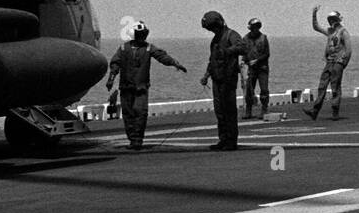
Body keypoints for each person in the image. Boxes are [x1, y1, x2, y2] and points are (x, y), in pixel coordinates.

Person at [106, 21, 188, 150]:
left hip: (141, 88)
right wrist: (111, 78)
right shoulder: (123, 48)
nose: (142, 36)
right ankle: (133, 139)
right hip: (126, 88)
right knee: (128, 114)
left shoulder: (149, 48)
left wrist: (175, 63)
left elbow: (162, 56)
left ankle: (137, 140)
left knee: (140, 113)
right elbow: (115, 64)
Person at [199, 10, 246, 150]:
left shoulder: (231, 35)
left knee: (229, 110)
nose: (212, 30)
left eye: (213, 27)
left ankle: (231, 141)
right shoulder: (215, 40)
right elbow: (212, 59)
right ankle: (223, 139)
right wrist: (206, 75)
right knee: (219, 111)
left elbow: (243, 47)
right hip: (216, 79)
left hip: (228, 79)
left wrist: (227, 51)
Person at [306, 7, 351, 120]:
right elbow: (316, 27)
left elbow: (348, 50)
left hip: (337, 63)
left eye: (333, 19)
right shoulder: (330, 32)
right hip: (329, 62)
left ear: (338, 19)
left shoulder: (343, 32)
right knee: (322, 86)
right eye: (330, 19)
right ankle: (315, 111)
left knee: (335, 87)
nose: (331, 21)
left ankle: (335, 111)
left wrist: (343, 63)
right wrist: (314, 14)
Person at [241, 18, 271, 119]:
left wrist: (257, 60)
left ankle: (264, 109)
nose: (255, 30)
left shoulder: (263, 38)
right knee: (249, 90)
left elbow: (267, 54)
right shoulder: (245, 39)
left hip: (262, 68)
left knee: (264, 90)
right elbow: (244, 52)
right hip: (251, 69)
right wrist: (244, 62)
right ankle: (248, 111)